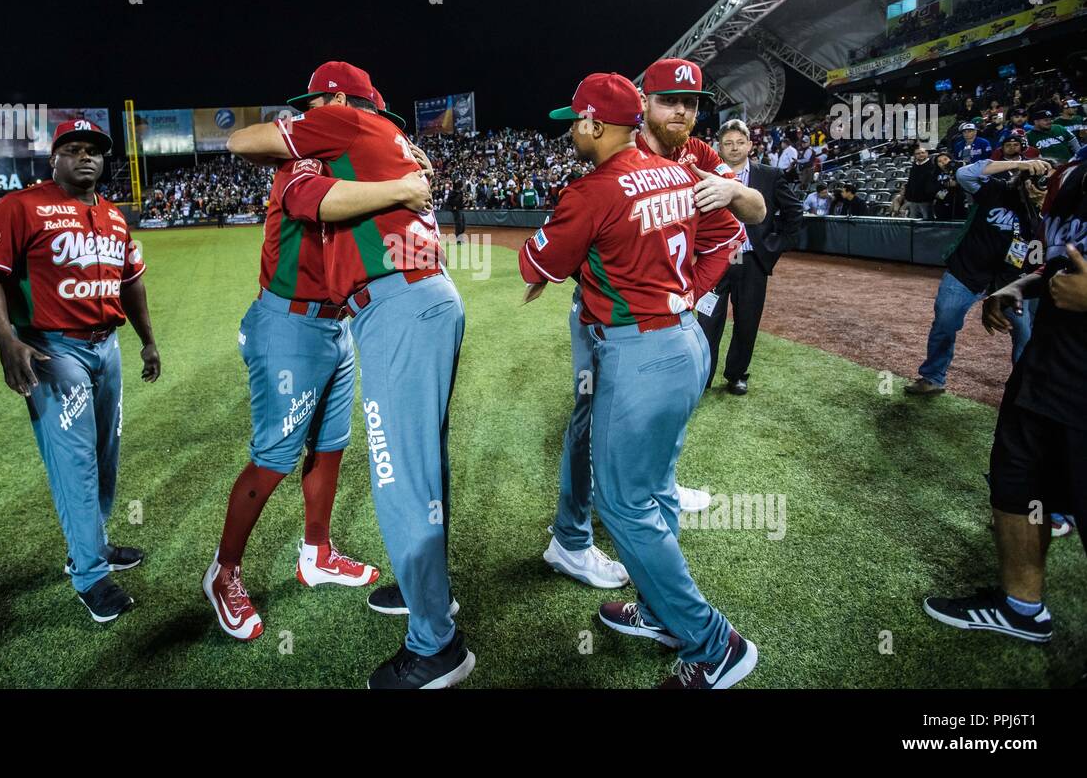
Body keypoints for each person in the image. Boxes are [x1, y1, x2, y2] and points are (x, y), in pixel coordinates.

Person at [227, 60, 472, 690]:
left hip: (393, 305)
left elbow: (254, 152)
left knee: (397, 476)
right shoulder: (390, 144)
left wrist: (310, 133)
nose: (305, 115)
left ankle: (434, 646)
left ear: (336, 101)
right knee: (421, 466)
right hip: (408, 300)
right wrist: (400, 191)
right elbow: (313, 197)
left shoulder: (339, 127)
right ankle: (431, 601)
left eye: (313, 104)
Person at [519, 72, 756, 689]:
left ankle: (712, 643)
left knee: (623, 504)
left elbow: (537, 260)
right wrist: (687, 295)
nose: (572, 131)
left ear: (597, 125)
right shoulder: (683, 175)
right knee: (654, 492)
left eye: (576, 121)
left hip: (639, 354)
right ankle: (655, 612)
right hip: (684, 345)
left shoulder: (592, 189)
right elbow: (732, 234)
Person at [0, 120, 160, 622]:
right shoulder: (21, 206)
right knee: (74, 461)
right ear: (53, 159)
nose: (86, 158)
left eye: (94, 151)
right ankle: (89, 574)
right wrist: (6, 340)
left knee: (104, 454)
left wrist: (148, 342)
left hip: (107, 346)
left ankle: (90, 543)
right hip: (54, 351)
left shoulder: (114, 216)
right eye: (73, 150)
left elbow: (132, 283)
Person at [924, 156, 1087, 647]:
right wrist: (1020, 285)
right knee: (1019, 479)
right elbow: (1059, 260)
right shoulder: (1072, 172)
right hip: (1049, 364)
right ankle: (1022, 608)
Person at [905, 154, 1051, 396]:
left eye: (1046, 184)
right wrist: (1020, 164)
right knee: (945, 321)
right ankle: (933, 377)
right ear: (1024, 180)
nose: (1039, 188)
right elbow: (964, 174)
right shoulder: (998, 190)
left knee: (1025, 333)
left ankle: (1022, 389)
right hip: (967, 270)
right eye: (1035, 181)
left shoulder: (1045, 216)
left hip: (1009, 281)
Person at [698, 120, 803, 395]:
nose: (734, 148)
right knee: (706, 321)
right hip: (714, 261)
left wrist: (775, 244)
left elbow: (794, 212)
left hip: (751, 260)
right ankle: (702, 376)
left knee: (747, 321)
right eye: (728, 143)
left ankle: (737, 375)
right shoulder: (705, 174)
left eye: (739, 142)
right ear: (718, 147)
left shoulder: (770, 175)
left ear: (750, 145)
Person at [904, 145, 940, 219]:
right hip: (913, 200)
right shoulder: (914, 167)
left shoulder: (933, 166)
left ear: (927, 153)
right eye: (918, 153)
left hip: (926, 200)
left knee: (927, 221)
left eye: (922, 153)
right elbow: (910, 182)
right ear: (915, 155)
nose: (921, 155)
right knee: (913, 222)